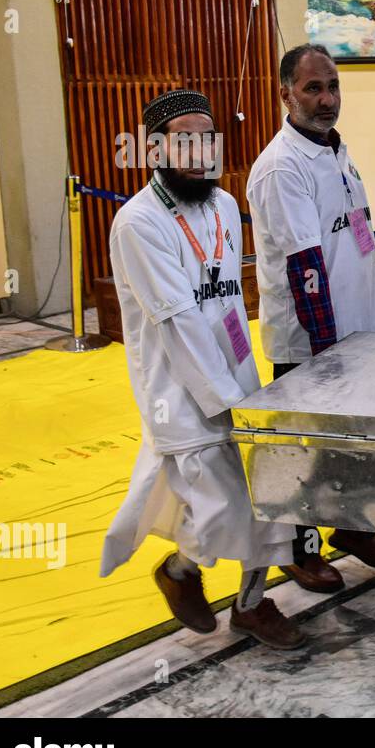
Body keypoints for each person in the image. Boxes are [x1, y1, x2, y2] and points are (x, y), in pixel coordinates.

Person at [100, 89, 303, 650]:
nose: (198, 151)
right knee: (225, 509)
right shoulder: (137, 223)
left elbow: (229, 301)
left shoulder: (221, 206)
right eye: (183, 138)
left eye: (206, 137)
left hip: (237, 377)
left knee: (268, 499)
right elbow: (179, 322)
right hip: (179, 393)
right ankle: (182, 572)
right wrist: (223, 399)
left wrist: (248, 382)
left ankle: (251, 605)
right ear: (155, 148)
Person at [247, 44, 375, 594]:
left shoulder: (336, 151)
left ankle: (354, 529)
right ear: (284, 93)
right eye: (313, 88)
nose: (327, 99)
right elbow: (304, 267)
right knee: (302, 452)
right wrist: (326, 355)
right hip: (313, 342)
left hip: (359, 332)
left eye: (332, 86)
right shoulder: (282, 168)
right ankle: (298, 550)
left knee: (357, 442)